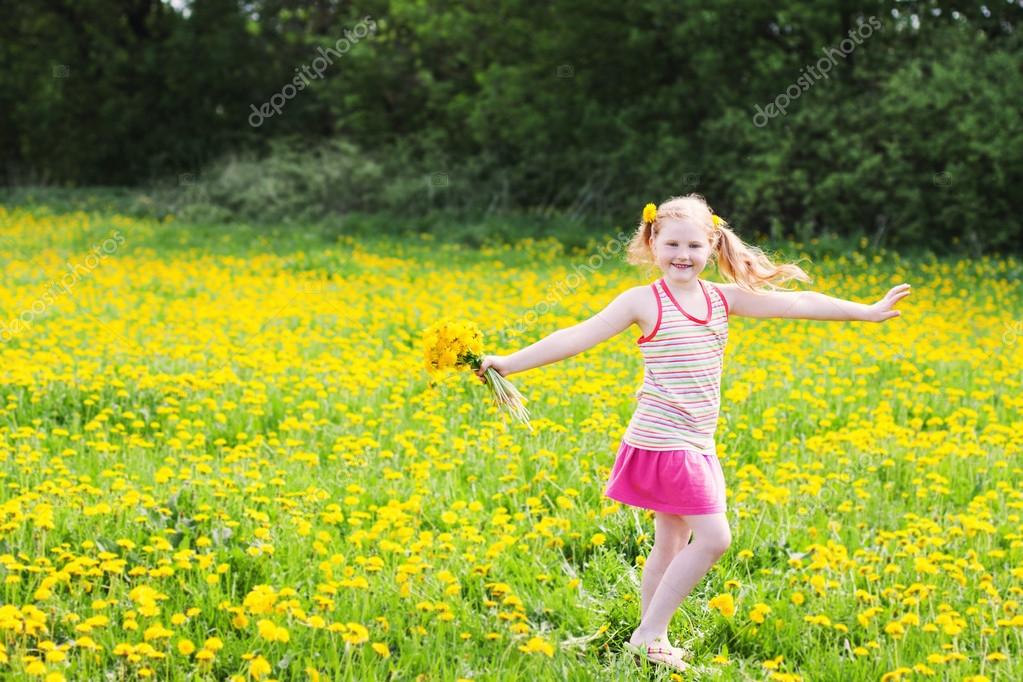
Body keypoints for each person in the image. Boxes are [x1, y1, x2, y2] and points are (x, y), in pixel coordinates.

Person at [474, 194, 911, 672]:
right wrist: (509, 364)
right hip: (665, 441)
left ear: (712, 247)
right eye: (672, 244)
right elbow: (577, 336)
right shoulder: (642, 301)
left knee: (672, 541)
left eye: (694, 245)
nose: (683, 255)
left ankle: (650, 634)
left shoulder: (722, 299)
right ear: (652, 242)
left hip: (698, 442)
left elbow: (798, 301)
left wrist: (864, 311)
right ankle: (647, 635)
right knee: (715, 538)